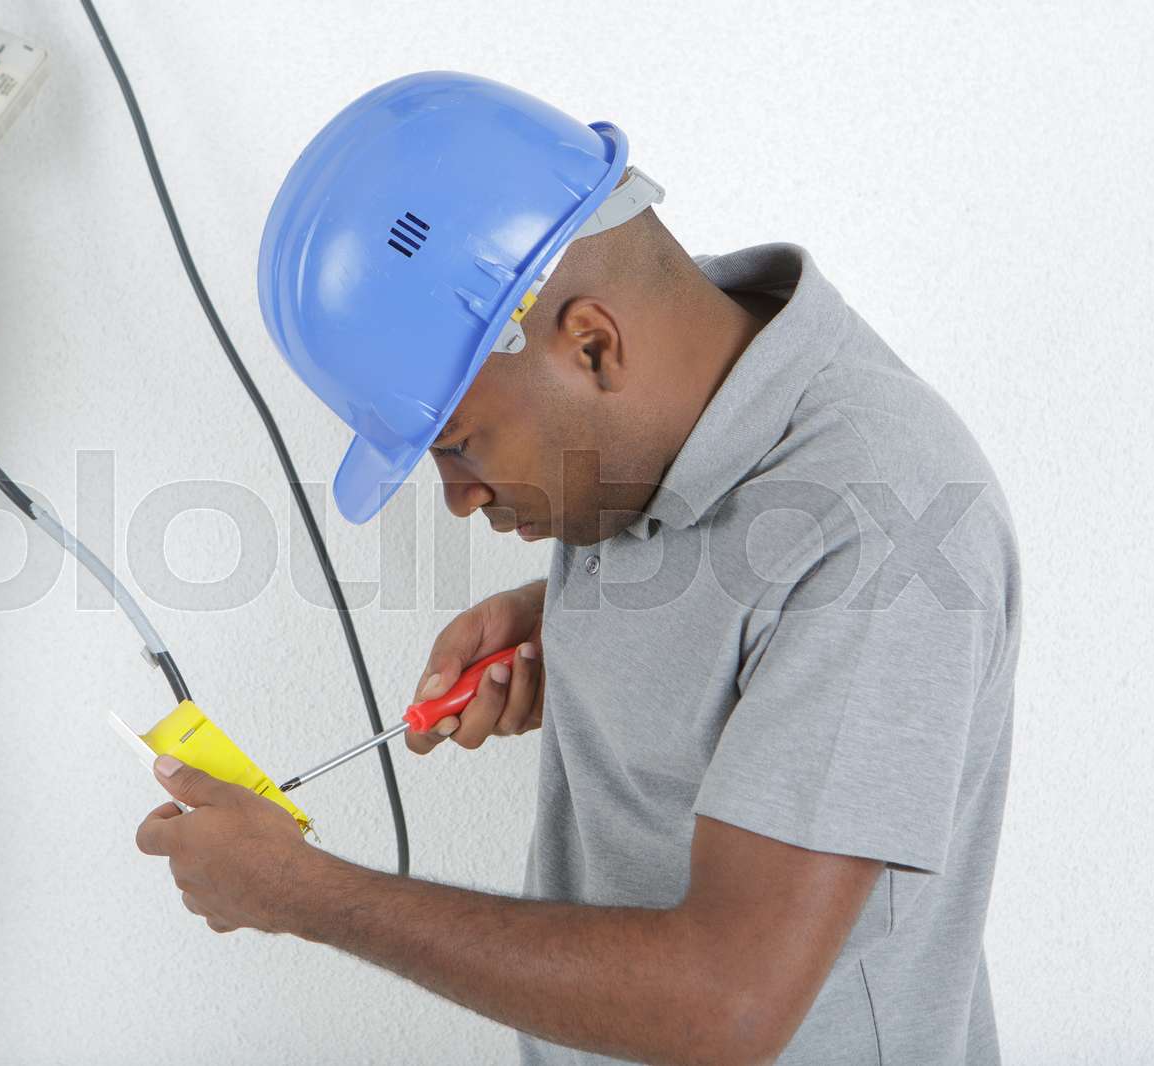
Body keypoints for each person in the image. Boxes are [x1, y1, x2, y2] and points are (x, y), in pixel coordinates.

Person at [136, 71, 1021, 1064]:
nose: (459, 497)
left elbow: (724, 1005)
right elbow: (736, 590)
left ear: (590, 344)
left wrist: (310, 896)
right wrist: (567, 623)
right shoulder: (657, 419)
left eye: (460, 444)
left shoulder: (877, 530)